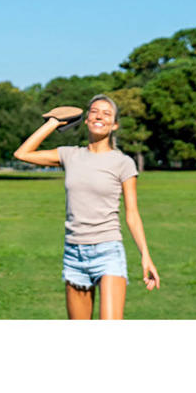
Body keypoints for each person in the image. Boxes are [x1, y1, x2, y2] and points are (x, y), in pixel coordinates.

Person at [13, 94, 160, 319]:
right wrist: (53, 122)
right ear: (86, 120)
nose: (99, 116)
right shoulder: (70, 155)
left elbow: (132, 214)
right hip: (74, 253)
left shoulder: (123, 163)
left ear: (115, 125)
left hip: (108, 251)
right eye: (94, 111)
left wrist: (145, 255)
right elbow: (22, 154)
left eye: (106, 113)